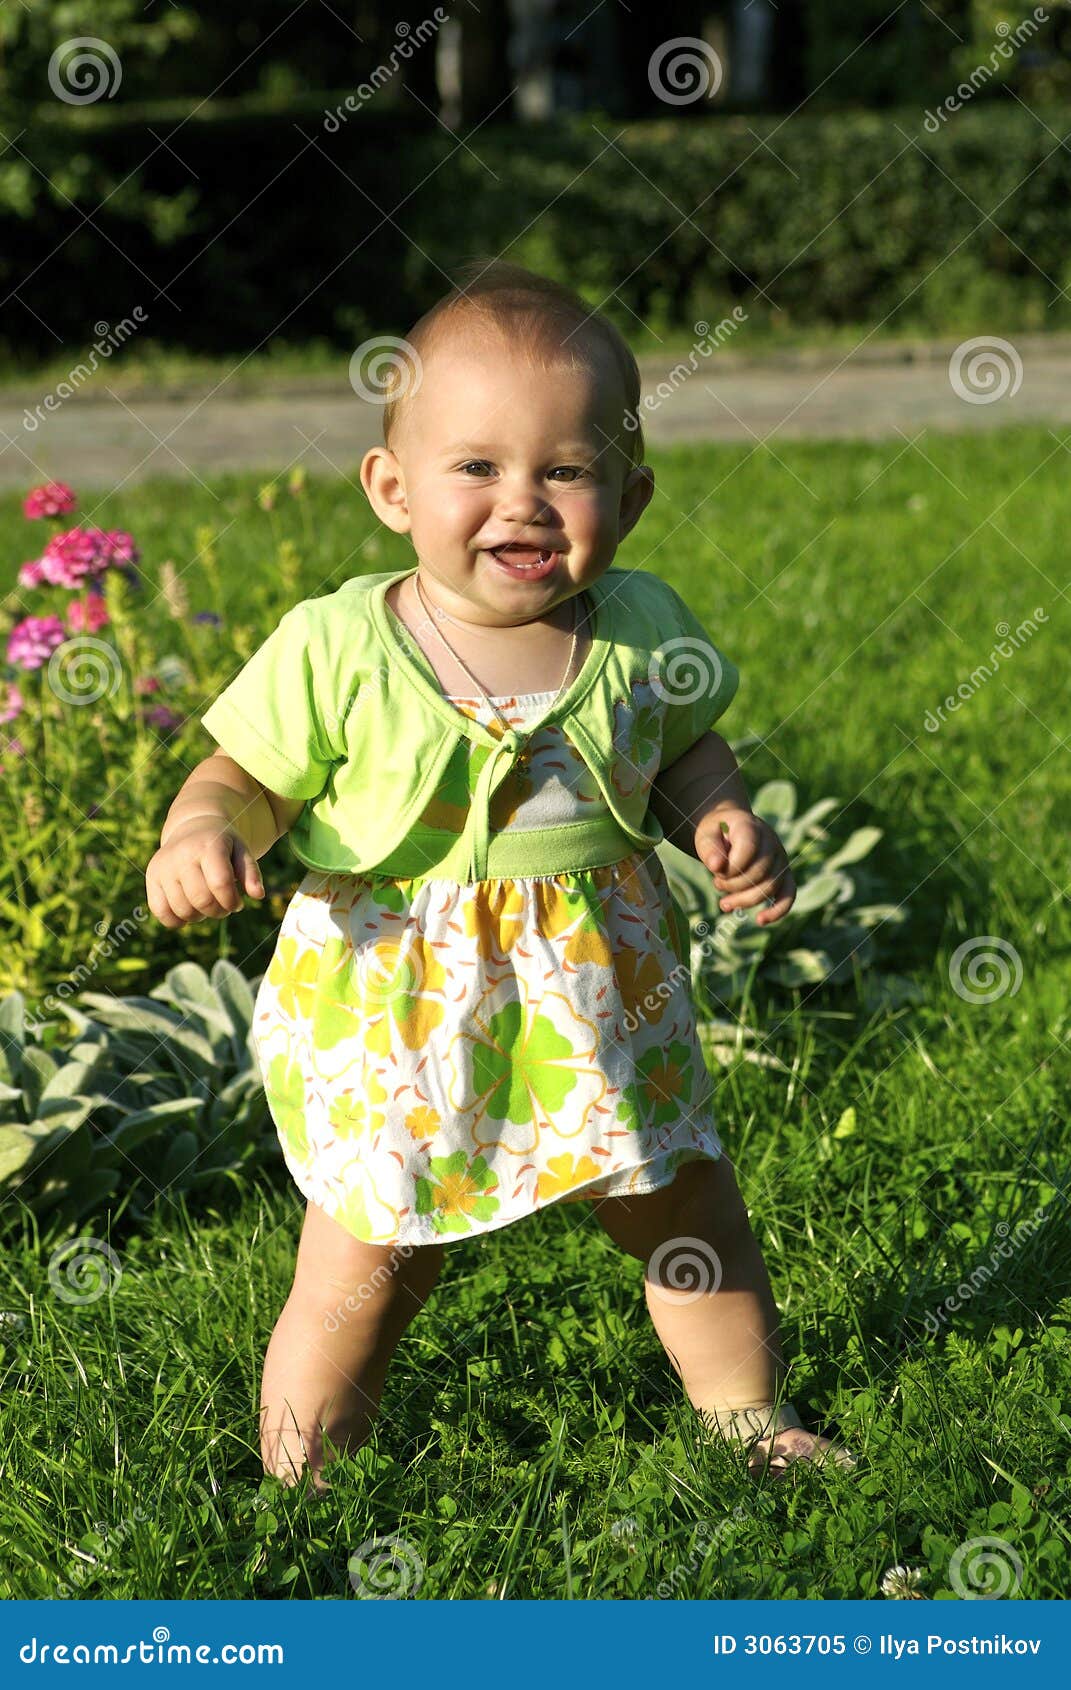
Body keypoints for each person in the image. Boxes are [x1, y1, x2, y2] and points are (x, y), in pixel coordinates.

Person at [145, 261, 854, 1489]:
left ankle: (750, 1418)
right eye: (475, 468)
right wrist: (202, 830)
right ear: (392, 487)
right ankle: (303, 1473)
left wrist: (718, 814)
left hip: (601, 1001)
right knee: (370, 1254)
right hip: (400, 1009)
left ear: (627, 498)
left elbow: (682, 748)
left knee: (687, 1215)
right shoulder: (341, 644)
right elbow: (240, 772)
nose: (520, 503)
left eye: (564, 471)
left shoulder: (637, 630)